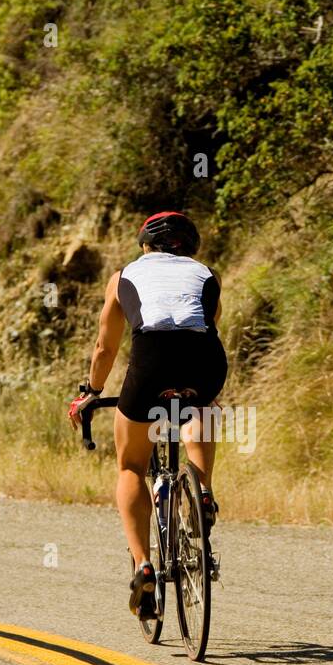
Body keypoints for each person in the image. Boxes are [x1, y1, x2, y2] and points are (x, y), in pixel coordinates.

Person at [67, 211, 228, 617]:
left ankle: (143, 567)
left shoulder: (124, 276)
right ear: (190, 247)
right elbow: (209, 325)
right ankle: (202, 490)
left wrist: (91, 393)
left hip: (151, 358)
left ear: (144, 245)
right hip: (204, 359)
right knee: (200, 407)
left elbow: (106, 347)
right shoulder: (207, 274)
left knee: (131, 466)